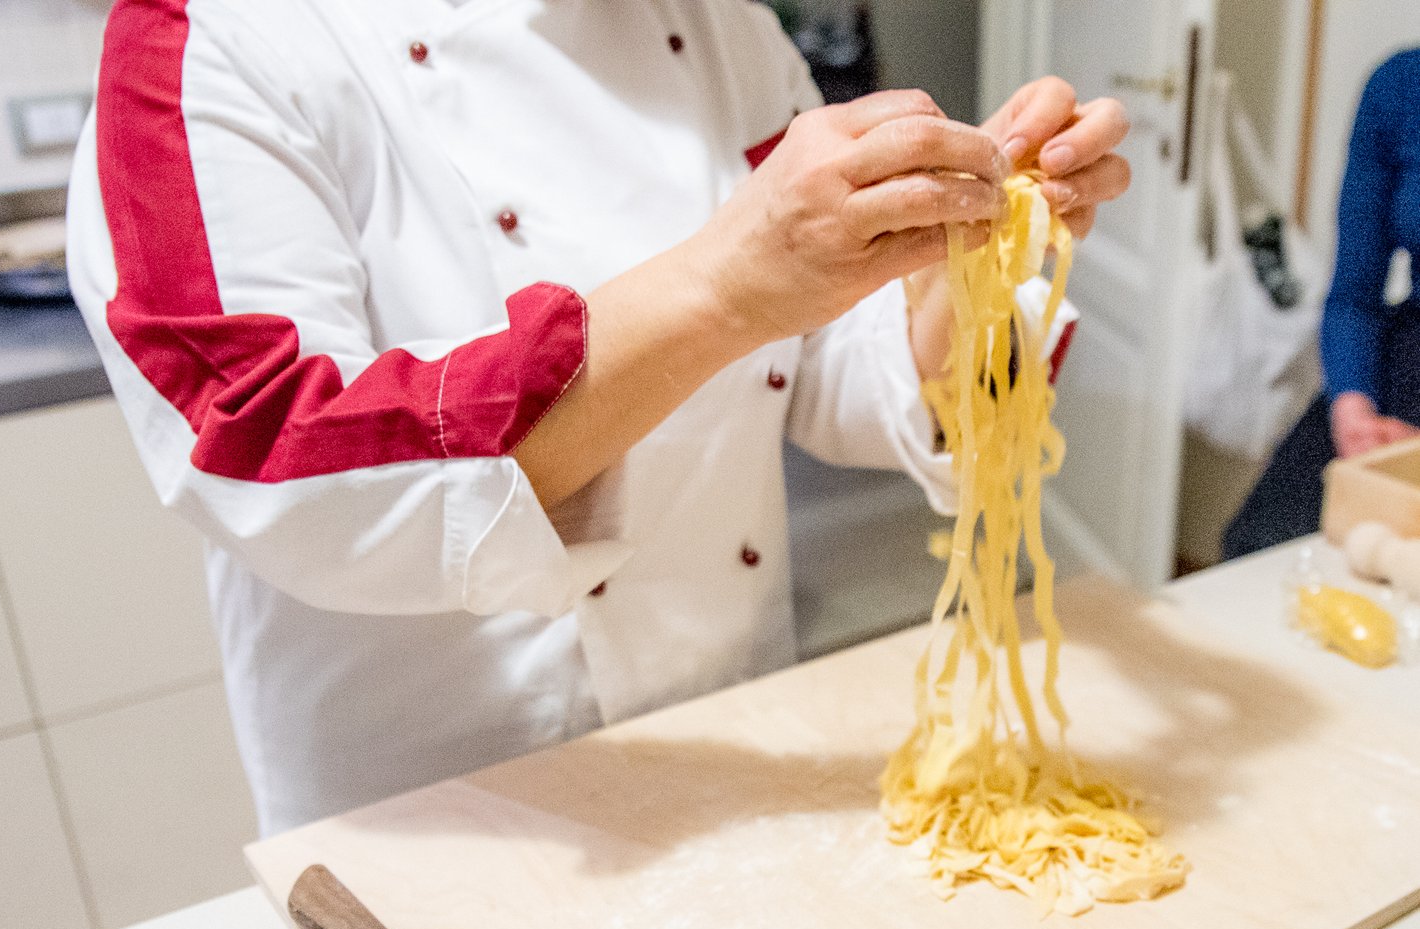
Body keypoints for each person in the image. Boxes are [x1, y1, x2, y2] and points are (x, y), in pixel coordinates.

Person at [67, 0, 1130, 835]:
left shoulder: (720, 30)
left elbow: (821, 366)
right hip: (430, 813)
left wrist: (962, 258)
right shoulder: (208, 40)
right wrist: (724, 289)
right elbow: (270, 453)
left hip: (737, 743)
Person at [1225, 49, 1420, 559]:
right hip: (1408, 353)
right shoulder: (1399, 86)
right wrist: (1353, 406)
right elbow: (1355, 296)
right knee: (1258, 545)